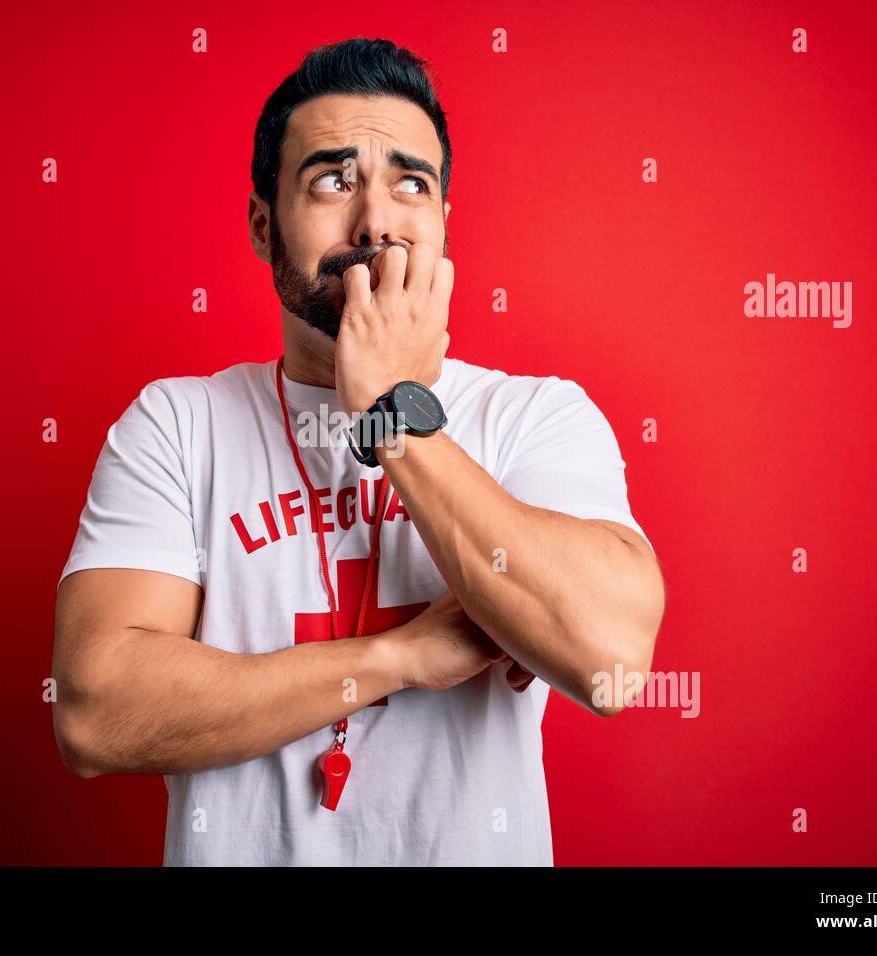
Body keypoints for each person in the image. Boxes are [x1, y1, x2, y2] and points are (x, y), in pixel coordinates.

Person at [52, 37, 665, 866]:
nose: (376, 221)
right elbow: (95, 712)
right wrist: (399, 657)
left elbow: (611, 658)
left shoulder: (535, 416)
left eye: (412, 183)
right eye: (333, 179)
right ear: (265, 227)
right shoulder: (177, 424)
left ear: (444, 220)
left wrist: (392, 411)